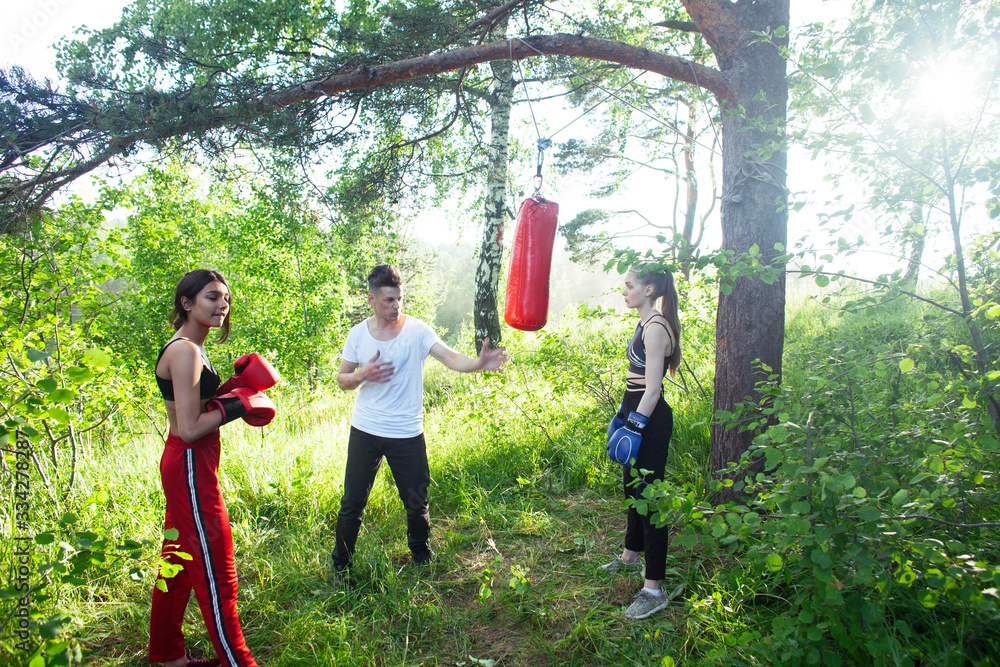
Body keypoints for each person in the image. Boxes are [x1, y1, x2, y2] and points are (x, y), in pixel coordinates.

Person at [331, 264, 508, 577]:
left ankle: (421, 556)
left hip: (406, 432)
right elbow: (342, 380)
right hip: (366, 430)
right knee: (352, 503)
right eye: (388, 300)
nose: (396, 305)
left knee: (416, 501)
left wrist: (479, 363)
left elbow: (451, 357)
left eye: (399, 298)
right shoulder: (358, 334)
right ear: (371, 299)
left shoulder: (417, 330)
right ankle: (340, 566)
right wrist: (362, 374)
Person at [149, 269, 273, 667]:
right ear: (187, 303)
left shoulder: (192, 348)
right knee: (217, 566)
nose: (223, 305)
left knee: (178, 562)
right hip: (188, 463)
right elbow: (189, 429)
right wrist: (238, 404)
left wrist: (234, 387)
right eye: (212, 297)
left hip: (188, 464)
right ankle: (239, 662)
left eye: (226, 299)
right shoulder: (185, 349)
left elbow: (195, 407)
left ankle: (168, 656)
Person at [600, 264, 681, 620]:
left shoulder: (657, 328)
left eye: (629, 285)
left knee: (650, 499)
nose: (624, 290)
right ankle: (630, 556)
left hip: (650, 417)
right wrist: (622, 413)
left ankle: (654, 589)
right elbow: (634, 381)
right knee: (633, 490)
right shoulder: (644, 323)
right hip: (635, 410)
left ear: (649, 290)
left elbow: (654, 389)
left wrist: (634, 426)